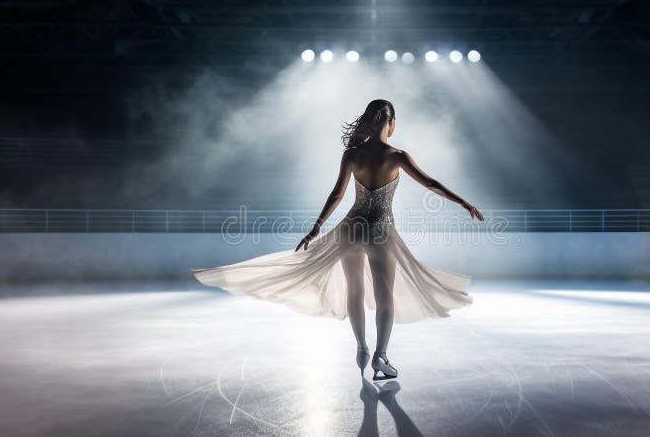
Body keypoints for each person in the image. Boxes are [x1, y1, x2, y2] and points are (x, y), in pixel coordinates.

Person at [194, 99, 484, 381]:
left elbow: (337, 194)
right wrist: (463, 202)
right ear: (392, 123)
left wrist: (316, 228)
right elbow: (431, 184)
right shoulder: (397, 155)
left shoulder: (353, 154)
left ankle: (361, 347)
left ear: (371, 120)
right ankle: (380, 356)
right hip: (380, 231)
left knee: (354, 291)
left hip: (351, 229)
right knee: (385, 298)